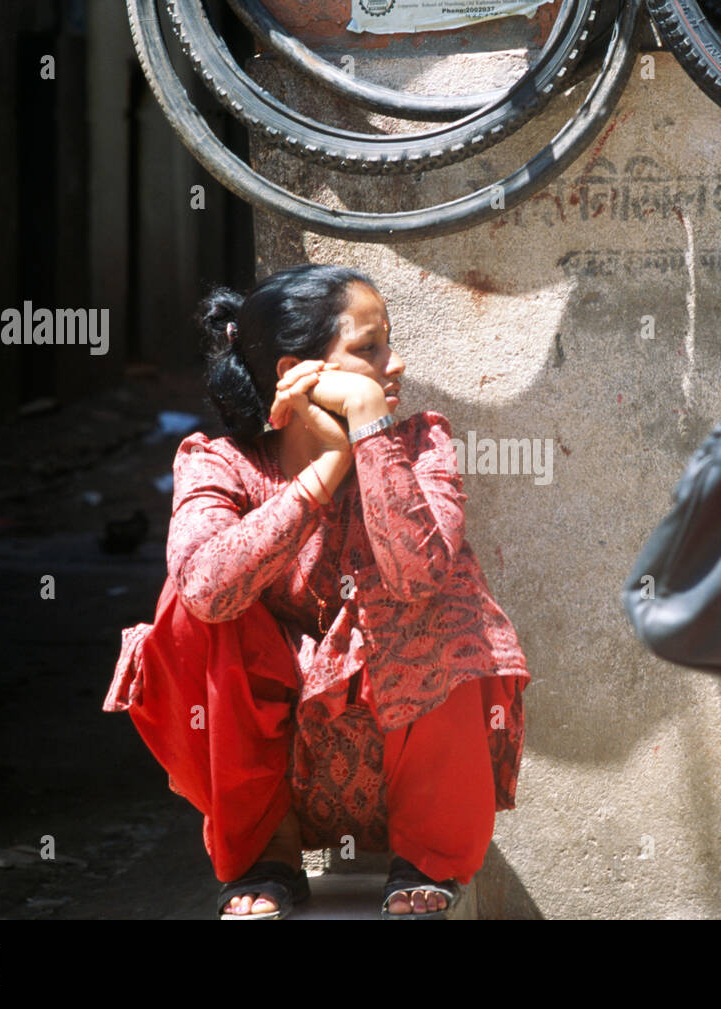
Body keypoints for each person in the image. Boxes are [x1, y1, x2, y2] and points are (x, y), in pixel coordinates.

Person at [105, 265, 529, 918]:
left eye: (388, 343)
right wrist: (327, 471)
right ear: (295, 372)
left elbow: (419, 576)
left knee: (435, 590)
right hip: (281, 766)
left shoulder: (418, 446)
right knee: (191, 600)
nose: (396, 364)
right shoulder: (219, 463)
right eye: (369, 348)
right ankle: (268, 851)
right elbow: (206, 590)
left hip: (385, 757)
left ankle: (427, 857)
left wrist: (367, 434)